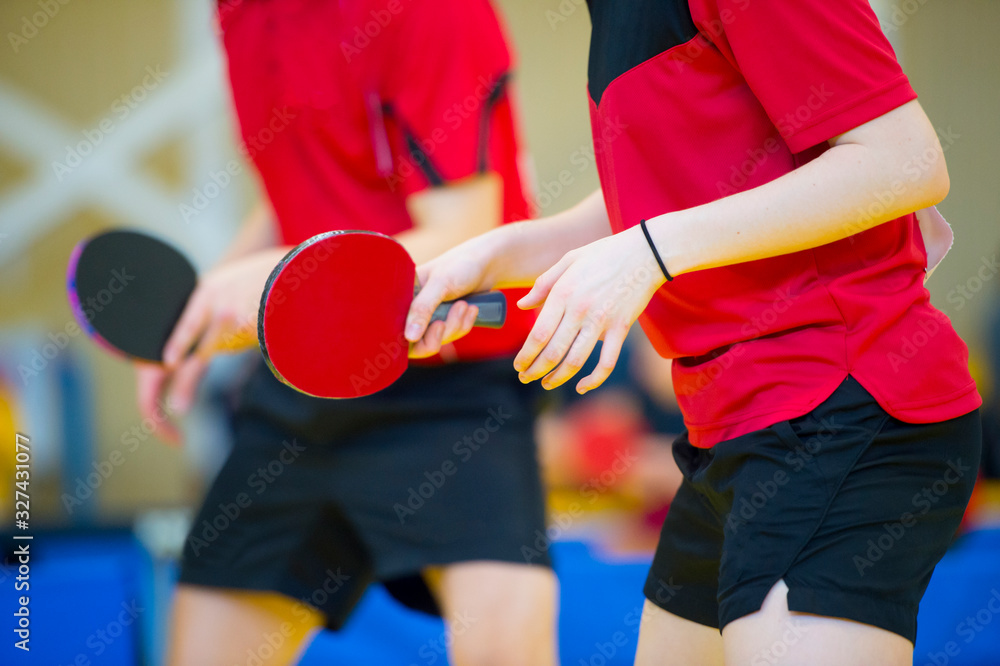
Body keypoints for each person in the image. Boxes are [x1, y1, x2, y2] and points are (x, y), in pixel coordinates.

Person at [405, 2, 981, 664]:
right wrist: (492, 256)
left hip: (846, 406)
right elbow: (660, 204)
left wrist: (650, 252)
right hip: (727, 434)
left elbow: (904, 160)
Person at [135, 1, 557, 664]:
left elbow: (466, 232)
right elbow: (303, 191)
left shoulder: (433, 12)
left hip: (452, 391)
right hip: (303, 386)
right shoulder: (240, 13)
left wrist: (275, 280)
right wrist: (203, 307)